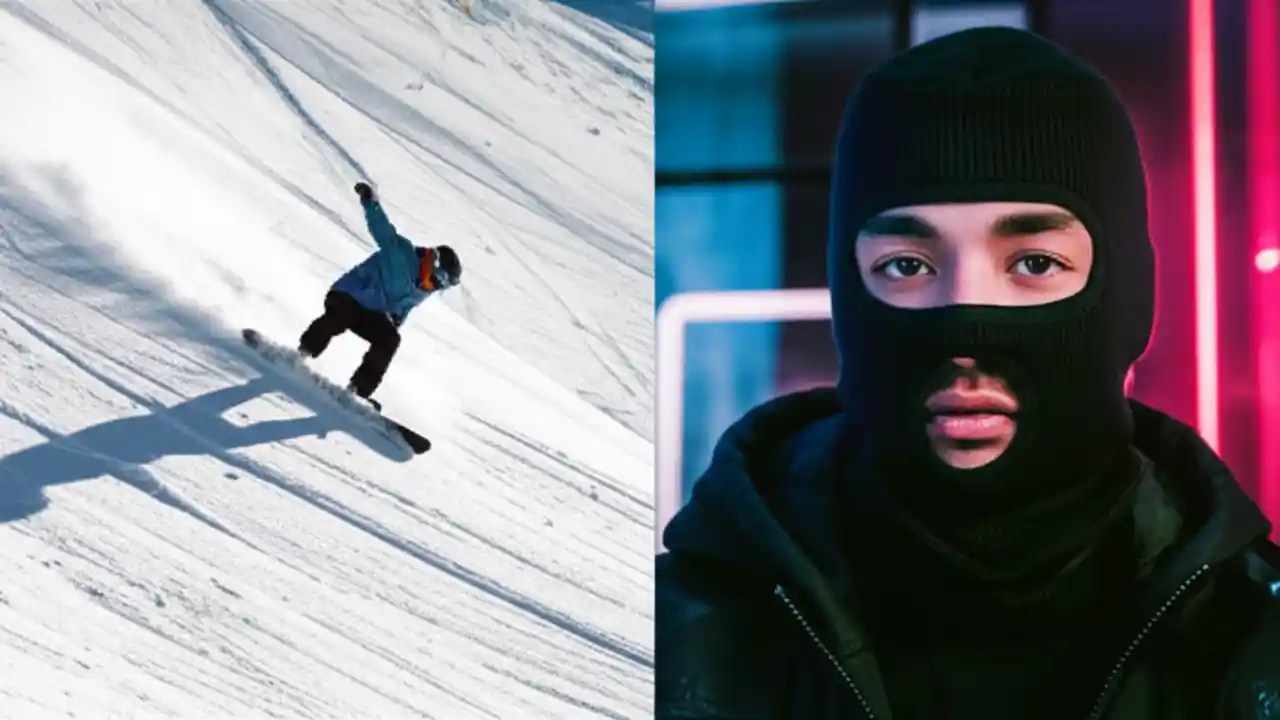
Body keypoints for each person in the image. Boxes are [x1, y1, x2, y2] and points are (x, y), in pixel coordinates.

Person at [655, 26, 1280, 720]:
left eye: (1034, 264)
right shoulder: (673, 636)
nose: (963, 334)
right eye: (908, 266)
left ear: (1127, 292)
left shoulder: (1251, 635)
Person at [298, 182, 462, 410]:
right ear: (431, 263)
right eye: (439, 278)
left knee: (390, 339)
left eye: (442, 286)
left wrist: (392, 322)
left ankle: (357, 391)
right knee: (343, 315)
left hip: (369, 314)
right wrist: (370, 202)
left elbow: (399, 313)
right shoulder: (401, 252)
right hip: (348, 295)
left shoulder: (422, 290)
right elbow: (381, 228)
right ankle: (301, 354)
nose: (435, 286)